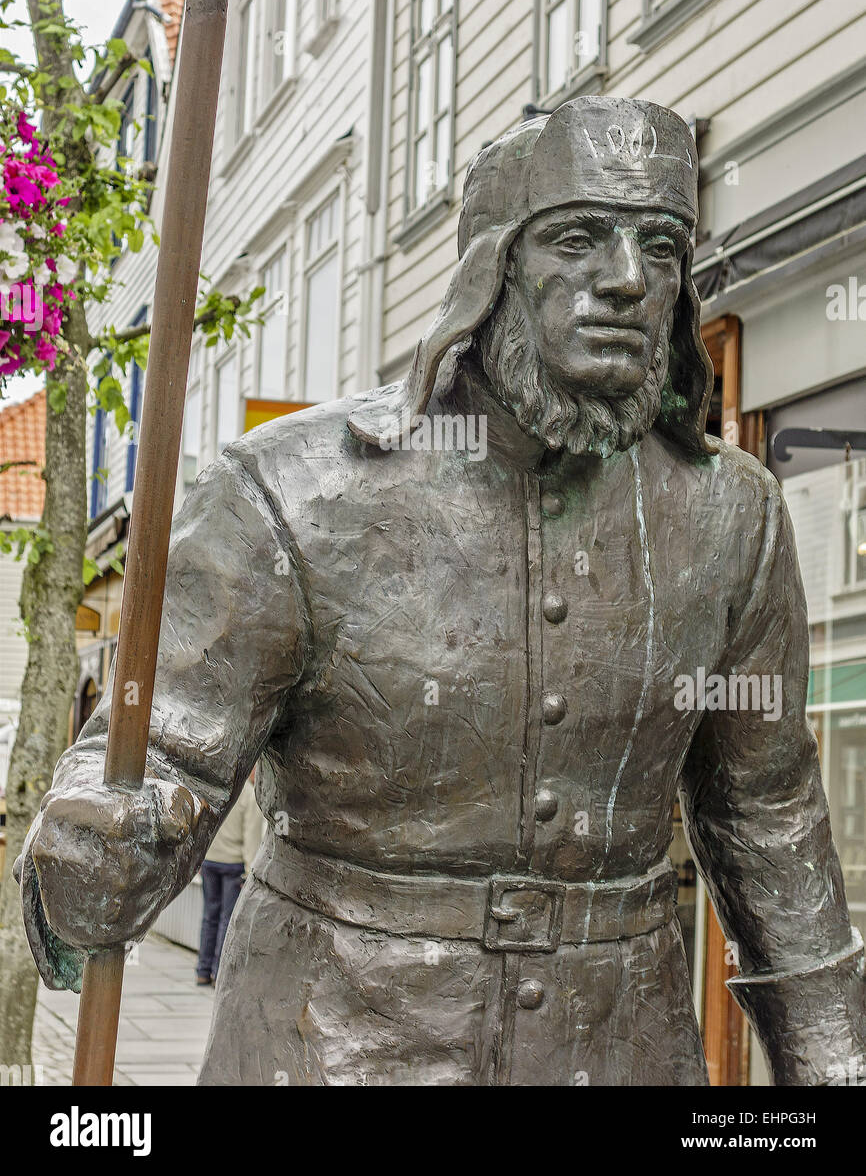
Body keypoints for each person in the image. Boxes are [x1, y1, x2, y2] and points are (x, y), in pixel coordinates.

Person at [17, 96, 866, 1085]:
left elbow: (765, 815)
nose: (627, 280)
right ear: (490, 265)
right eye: (577, 239)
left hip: (620, 1044)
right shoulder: (289, 488)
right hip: (334, 1036)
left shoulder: (731, 513)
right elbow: (158, 748)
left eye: (662, 248)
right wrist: (94, 841)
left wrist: (832, 1067)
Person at [196, 773, 263, 985]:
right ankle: (218, 972)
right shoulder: (248, 795)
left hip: (209, 861)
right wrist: (250, 872)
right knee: (227, 919)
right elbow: (251, 839)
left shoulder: (215, 793)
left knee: (209, 916)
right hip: (233, 865)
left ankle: (203, 970)